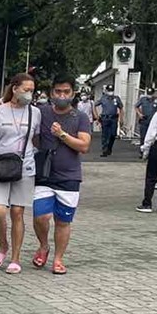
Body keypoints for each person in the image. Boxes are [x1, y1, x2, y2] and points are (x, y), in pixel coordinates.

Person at [31, 76, 91, 275]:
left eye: (66, 92)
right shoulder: (41, 112)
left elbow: (84, 146)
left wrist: (62, 135)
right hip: (44, 174)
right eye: (58, 91)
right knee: (41, 216)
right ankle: (43, 245)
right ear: (51, 93)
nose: (62, 95)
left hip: (69, 176)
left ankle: (58, 259)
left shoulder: (80, 117)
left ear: (73, 93)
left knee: (63, 221)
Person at [0, 73, 38, 274]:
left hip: (25, 167)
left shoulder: (35, 113)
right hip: (1, 166)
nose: (29, 94)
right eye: (26, 90)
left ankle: (15, 257)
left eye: (32, 90)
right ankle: (3, 244)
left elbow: (38, 139)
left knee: (17, 212)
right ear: (15, 88)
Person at [97, 85, 123, 157]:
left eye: (111, 90)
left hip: (114, 119)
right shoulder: (103, 98)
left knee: (113, 134)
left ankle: (109, 147)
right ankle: (104, 150)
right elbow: (95, 105)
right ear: (106, 91)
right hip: (105, 118)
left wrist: (121, 118)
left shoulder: (116, 98)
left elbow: (121, 108)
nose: (110, 92)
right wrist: (96, 116)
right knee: (105, 135)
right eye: (109, 90)